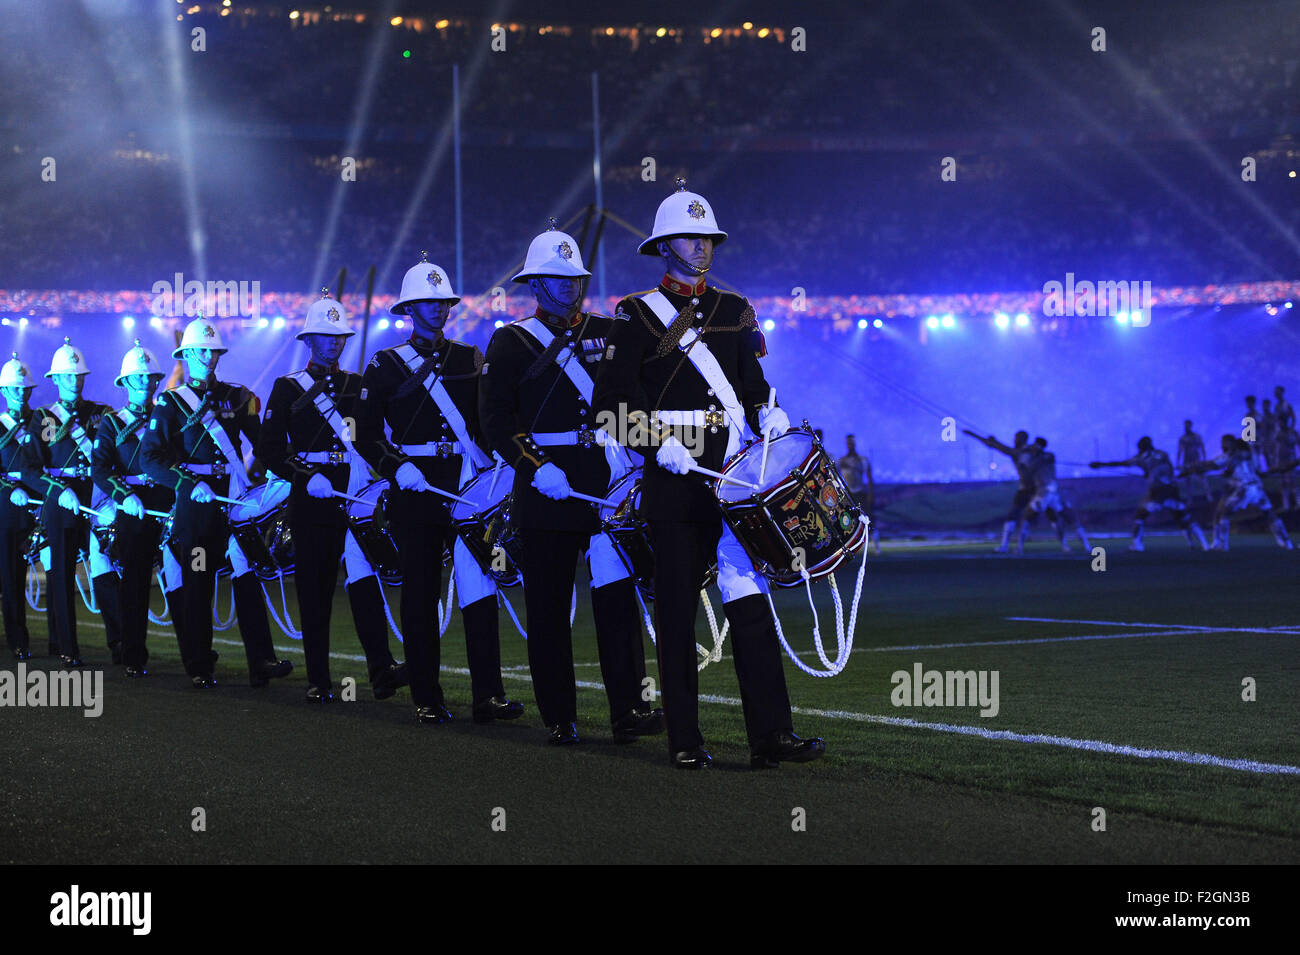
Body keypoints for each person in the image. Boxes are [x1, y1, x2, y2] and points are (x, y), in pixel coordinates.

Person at [593, 178, 825, 770]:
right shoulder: (636, 315)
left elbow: (752, 388)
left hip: (733, 474)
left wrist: (768, 410)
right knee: (674, 606)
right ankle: (685, 739)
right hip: (672, 476)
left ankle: (771, 734)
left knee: (749, 603)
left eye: (707, 237)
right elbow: (611, 408)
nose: (702, 247)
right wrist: (656, 444)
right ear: (665, 246)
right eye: (690, 238)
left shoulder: (733, 310)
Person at [479, 222, 661, 746]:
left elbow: (632, 404)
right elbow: (494, 420)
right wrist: (534, 466)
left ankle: (629, 709)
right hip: (547, 486)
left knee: (617, 603)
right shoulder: (509, 342)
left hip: (606, 483)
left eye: (574, 276)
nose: (569, 285)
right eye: (557, 278)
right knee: (550, 607)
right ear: (533, 283)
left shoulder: (612, 332)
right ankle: (560, 715)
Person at [357, 253, 522, 725]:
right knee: (421, 591)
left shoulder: (469, 357)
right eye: (426, 301)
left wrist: (499, 470)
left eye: (442, 301)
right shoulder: (385, 365)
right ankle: (427, 695)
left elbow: (487, 420)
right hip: (416, 487)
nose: (437, 308)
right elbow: (365, 436)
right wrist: (396, 468)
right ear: (409, 308)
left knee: (479, 588)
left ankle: (488, 696)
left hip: (469, 485)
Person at [255, 291, 407, 704]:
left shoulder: (358, 385)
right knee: (315, 589)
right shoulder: (287, 388)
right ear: (309, 339)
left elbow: (373, 435)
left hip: (354, 492)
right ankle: (319, 679)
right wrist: (304, 477)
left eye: (340, 335)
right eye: (326, 335)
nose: (335, 341)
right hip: (313, 496)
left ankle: (381, 671)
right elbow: (270, 450)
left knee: (364, 583)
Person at [140, 316, 294, 689]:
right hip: (194, 507)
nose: (207, 357)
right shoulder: (170, 403)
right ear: (186, 354)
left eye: (213, 351)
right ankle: (199, 663)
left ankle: (262, 661)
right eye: (201, 351)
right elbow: (150, 458)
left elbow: (262, 444)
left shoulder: (236, 397)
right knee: (199, 581)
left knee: (247, 576)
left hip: (233, 500)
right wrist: (186, 482)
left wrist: (292, 472)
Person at [17, 338, 122, 667]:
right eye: (67, 375)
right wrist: (57, 490)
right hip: (61, 500)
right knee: (61, 576)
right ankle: (67, 647)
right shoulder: (43, 420)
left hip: (97, 498)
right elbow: (30, 468)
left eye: (78, 375)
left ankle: (120, 643)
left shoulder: (101, 413)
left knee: (106, 571)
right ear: (55, 379)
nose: (74, 380)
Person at [91, 341, 179, 677]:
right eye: (137, 378)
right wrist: (124, 495)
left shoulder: (169, 416)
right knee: (135, 584)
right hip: (133, 505)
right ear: (125, 383)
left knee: (182, 580)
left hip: (167, 503)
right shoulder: (112, 424)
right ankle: (133, 655)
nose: (144, 382)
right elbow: (101, 468)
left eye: (150, 377)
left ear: (157, 381)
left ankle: (195, 657)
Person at [1089, 436, 1208, 551]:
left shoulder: (1141, 458)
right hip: (1172, 491)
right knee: (1184, 518)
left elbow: (1122, 463)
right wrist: (1150, 474)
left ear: (1141, 447)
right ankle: (1204, 544)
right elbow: (1168, 470)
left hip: (1157, 493)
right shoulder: (1163, 454)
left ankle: (1137, 545)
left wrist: (1100, 464)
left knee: (1139, 516)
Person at [1185, 435, 1293, 550]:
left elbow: (1213, 465)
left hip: (1244, 489)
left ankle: (1222, 544)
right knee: (1269, 513)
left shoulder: (1232, 455)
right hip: (1257, 488)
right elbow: (1258, 471)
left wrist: (1194, 467)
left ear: (1232, 444)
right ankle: (1286, 542)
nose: (1223, 446)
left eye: (1225, 443)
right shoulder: (1251, 454)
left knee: (1224, 513)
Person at [0, 354, 38, 660]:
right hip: (7, 510)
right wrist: (10, 488)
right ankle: (17, 640)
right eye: (15, 390)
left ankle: (60, 642)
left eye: (25, 390)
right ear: (4, 392)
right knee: (10, 577)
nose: (21, 395)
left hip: (38, 506)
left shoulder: (41, 422)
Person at [969, 430, 1034, 554]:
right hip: (1025, 489)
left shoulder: (1027, 451)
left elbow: (1000, 447)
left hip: (1038, 489)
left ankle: (1070, 542)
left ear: (1022, 439)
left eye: (1016, 438)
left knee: (1049, 515)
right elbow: (997, 446)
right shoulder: (1021, 452)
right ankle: (1006, 546)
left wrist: (993, 441)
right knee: (1013, 516)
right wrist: (975, 435)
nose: (1014, 440)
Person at [1021, 437, 1090, 553]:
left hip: (1047, 493)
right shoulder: (1034, 458)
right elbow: (1028, 468)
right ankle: (1066, 546)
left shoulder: (1046, 456)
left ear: (1039, 446)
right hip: (1046, 493)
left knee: (1068, 518)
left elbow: (1032, 464)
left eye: (1035, 445)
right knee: (1053, 519)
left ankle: (1087, 547)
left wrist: (1028, 450)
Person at [838, 434, 879, 555]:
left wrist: (871, 493)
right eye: (848, 443)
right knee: (847, 521)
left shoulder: (862, 460)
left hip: (860, 493)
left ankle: (876, 545)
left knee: (868, 518)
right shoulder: (841, 461)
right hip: (848, 495)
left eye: (852, 442)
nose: (850, 445)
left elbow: (869, 477)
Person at [1176, 419, 1209, 501]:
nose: (1186, 427)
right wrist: (1177, 463)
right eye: (1185, 426)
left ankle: (1208, 496)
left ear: (1190, 426)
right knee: (1188, 480)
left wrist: (1204, 459)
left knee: (1202, 477)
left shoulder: (1196, 437)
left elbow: (1202, 448)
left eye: (1187, 425)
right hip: (1187, 460)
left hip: (1196, 460)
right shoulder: (1183, 438)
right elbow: (1180, 451)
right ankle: (1189, 499)